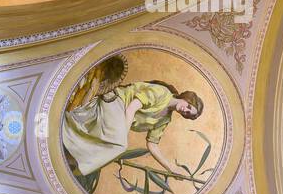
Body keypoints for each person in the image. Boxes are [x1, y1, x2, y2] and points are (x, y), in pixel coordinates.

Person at [62, 70, 204, 183]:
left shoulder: (165, 120)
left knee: (116, 144)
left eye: (188, 113)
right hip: (117, 102)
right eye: (189, 106)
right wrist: (122, 136)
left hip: (120, 115)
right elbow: (132, 108)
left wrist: (172, 168)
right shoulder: (162, 93)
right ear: (187, 98)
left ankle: (71, 162)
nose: (185, 110)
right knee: (120, 145)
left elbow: (152, 145)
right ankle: (74, 163)